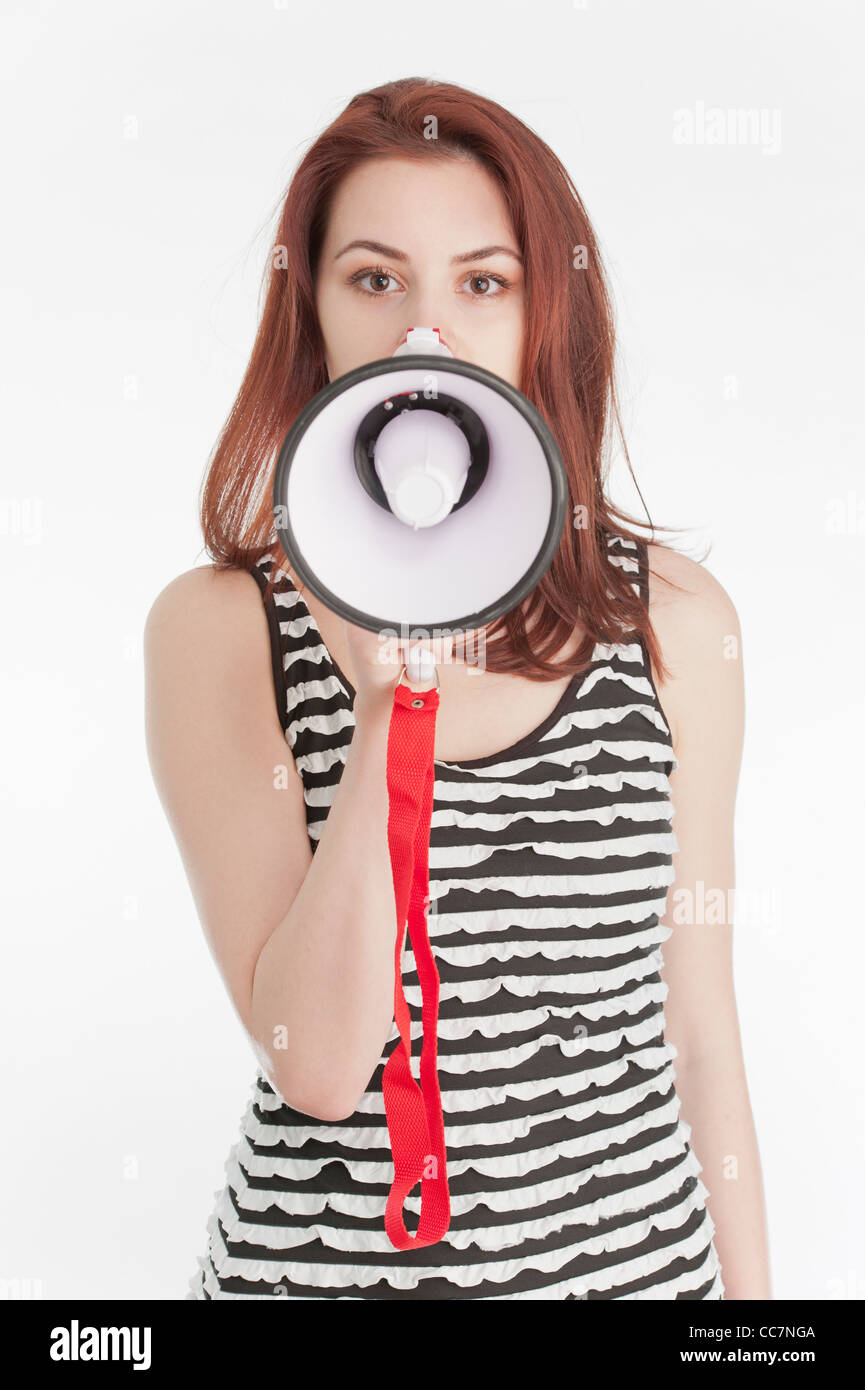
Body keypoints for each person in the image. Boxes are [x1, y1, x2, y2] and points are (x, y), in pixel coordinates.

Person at [144, 76, 771, 1300]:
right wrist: (391, 698)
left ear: (543, 315)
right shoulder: (219, 631)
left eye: (483, 281)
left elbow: (698, 1030)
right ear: (312, 310)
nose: (423, 329)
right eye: (374, 279)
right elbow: (319, 1066)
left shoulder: (673, 623)